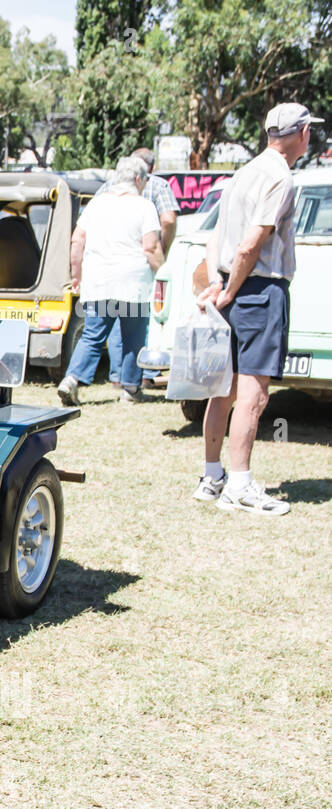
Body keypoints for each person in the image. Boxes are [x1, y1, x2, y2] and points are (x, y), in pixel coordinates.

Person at [193, 103, 320, 515]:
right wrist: (231, 288)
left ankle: (212, 478)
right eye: (309, 130)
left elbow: (216, 237)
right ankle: (240, 486)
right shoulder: (280, 177)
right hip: (259, 290)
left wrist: (219, 283)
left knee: (223, 389)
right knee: (254, 393)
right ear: (301, 133)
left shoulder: (244, 172)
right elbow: (251, 243)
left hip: (232, 286)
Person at [57, 156, 164, 405]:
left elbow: (77, 241)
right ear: (138, 179)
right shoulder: (144, 206)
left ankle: (71, 380)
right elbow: (150, 247)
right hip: (133, 285)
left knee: (92, 336)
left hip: (99, 282)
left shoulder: (96, 204)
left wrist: (76, 275)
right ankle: (131, 389)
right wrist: (164, 273)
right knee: (133, 338)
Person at [101, 146, 181, 389]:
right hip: (143, 260)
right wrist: (162, 250)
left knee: (116, 322)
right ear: (151, 168)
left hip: (110, 262)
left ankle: (117, 376)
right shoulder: (158, 185)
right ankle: (144, 374)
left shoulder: (109, 186)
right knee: (144, 321)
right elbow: (169, 220)